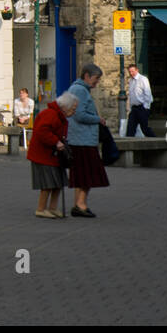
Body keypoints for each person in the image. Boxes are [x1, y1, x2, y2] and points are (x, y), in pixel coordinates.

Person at [63, 63, 108, 218]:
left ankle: (79, 204)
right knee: (88, 174)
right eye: (96, 79)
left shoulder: (78, 89)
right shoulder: (80, 90)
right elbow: (79, 114)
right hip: (82, 139)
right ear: (87, 76)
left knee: (82, 173)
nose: (97, 83)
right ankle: (80, 204)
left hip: (81, 138)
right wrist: (98, 119)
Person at [27, 90, 77, 218]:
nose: (74, 111)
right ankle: (41, 208)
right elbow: (41, 131)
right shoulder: (51, 114)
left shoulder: (58, 115)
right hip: (43, 155)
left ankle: (52, 208)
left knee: (58, 183)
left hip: (53, 155)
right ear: (64, 107)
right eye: (73, 108)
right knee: (48, 184)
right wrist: (56, 142)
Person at [125, 63, 155, 138]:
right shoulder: (131, 81)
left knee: (144, 128)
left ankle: (154, 140)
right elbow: (132, 95)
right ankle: (129, 147)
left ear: (137, 70)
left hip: (142, 107)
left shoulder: (143, 79)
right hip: (134, 108)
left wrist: (146, 107)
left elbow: (147, 93)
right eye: (130, 72)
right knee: (130, 128)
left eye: (133, 71)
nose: (131, 73)